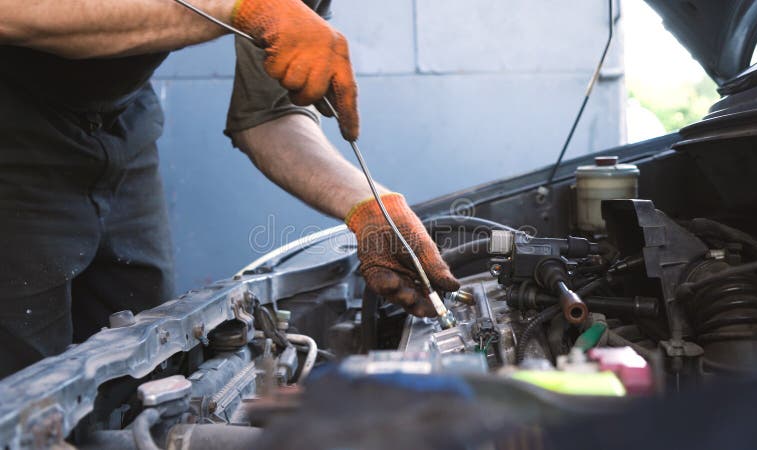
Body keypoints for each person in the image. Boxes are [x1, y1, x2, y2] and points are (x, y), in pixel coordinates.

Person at [0, 0, 458, 378]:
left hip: (120, 123)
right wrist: (244, 7)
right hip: (13, 129)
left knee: (143, 367)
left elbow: (266, 116)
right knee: (25, 385)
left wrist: (368, 207)